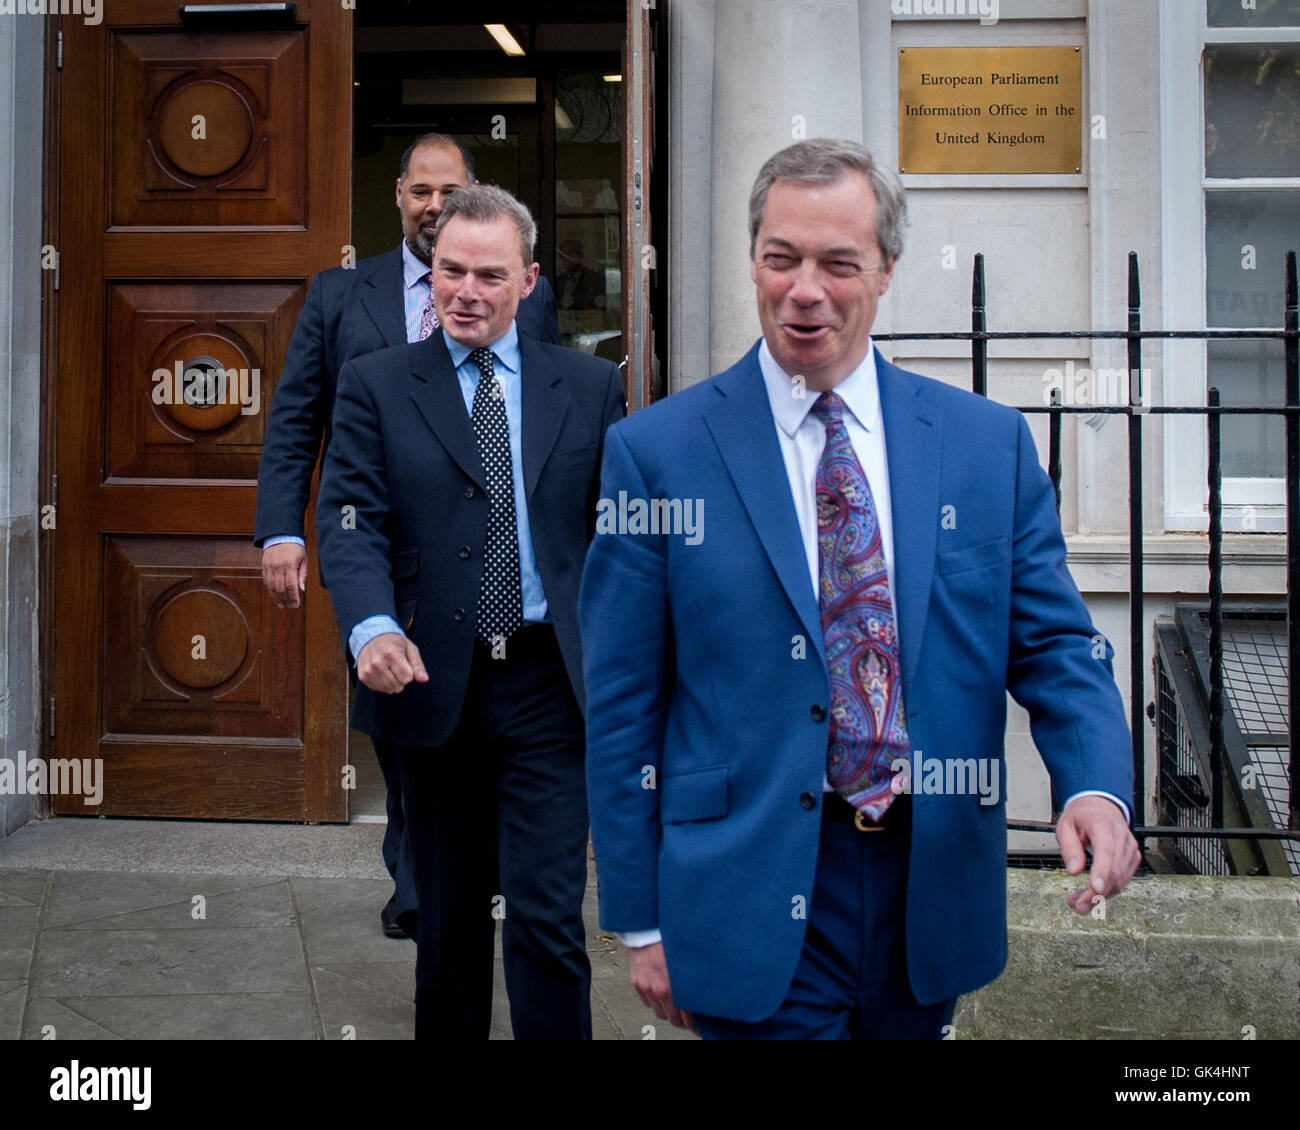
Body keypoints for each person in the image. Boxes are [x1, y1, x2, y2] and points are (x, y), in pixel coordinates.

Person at [579, 138, 1141, 1040]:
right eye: (781, 258)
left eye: (838, 263)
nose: (806, 289)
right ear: (754, 261)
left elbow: (1055, 647)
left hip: (929, 892)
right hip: (745, 886)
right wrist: (640, 919)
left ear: (885, 271)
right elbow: (621, 702)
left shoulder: (984, 447)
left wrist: (1096, 789)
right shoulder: (657, 455)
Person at [316, 184, 624, 1039]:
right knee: (447, 931)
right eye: (450, 270)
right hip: (432, 681)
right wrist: (371, 623)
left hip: (548, 685)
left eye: (489, 276)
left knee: (548, 923)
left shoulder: (591, 387)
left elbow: (620, 542)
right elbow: (349, 519)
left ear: (528, 281)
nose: (466, 291)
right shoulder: (376, 383)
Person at [254, 134, 561, 941]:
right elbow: (294, 426)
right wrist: (283, 529)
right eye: (420, 190)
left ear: (470, 195)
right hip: (381, 553)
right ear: (398, 196)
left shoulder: (526, 294)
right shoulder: (337, 296)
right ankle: (422, 881)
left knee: (478, 740)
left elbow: (549, 422)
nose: (432, 204)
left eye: (447, 190)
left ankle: (451, 887)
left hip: (484, 555)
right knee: (407, 735)